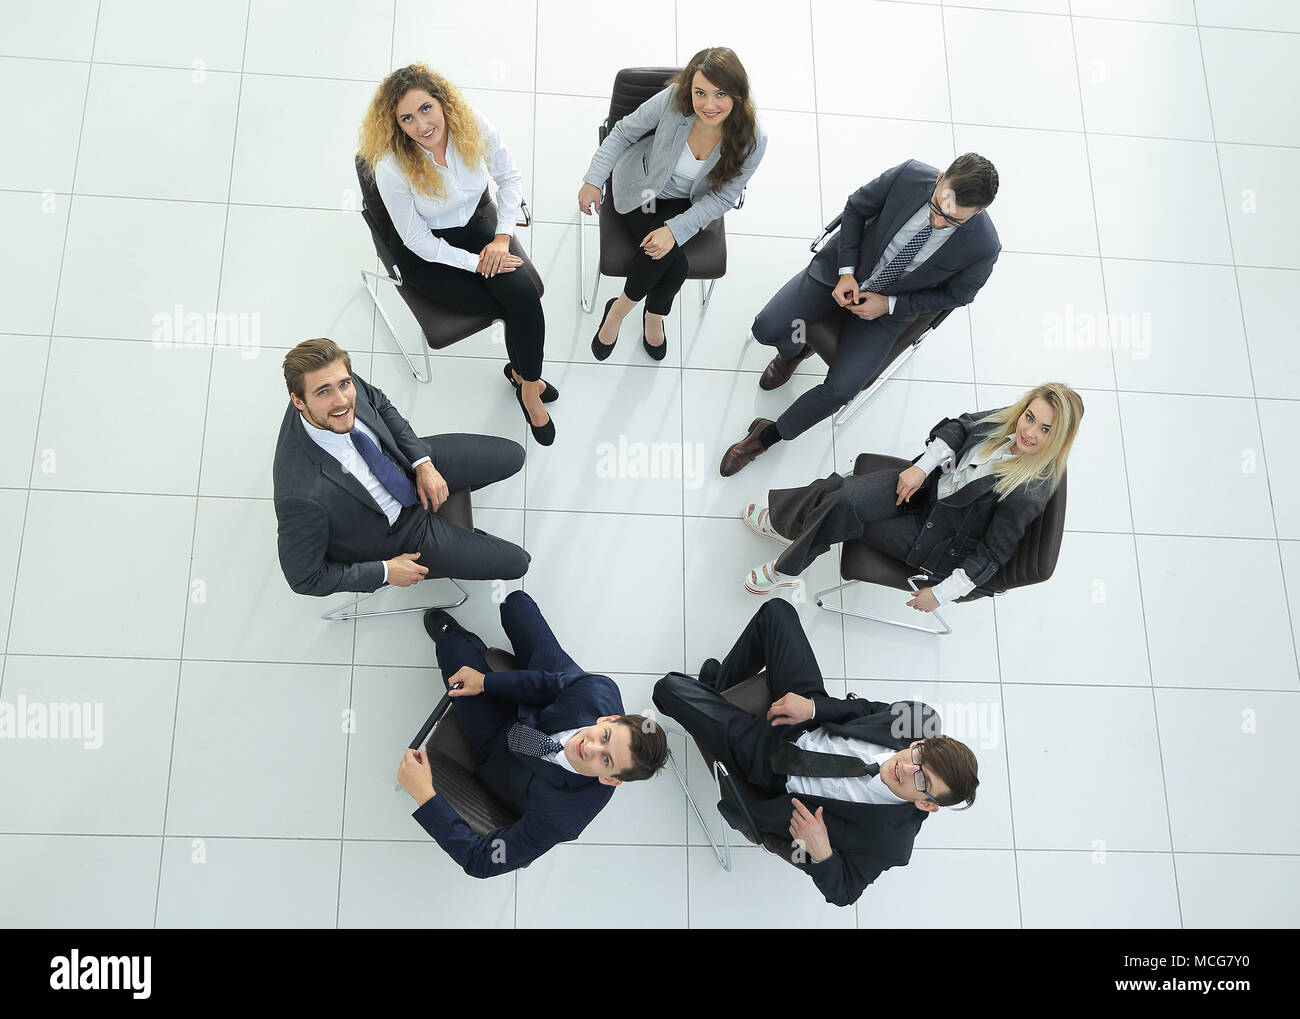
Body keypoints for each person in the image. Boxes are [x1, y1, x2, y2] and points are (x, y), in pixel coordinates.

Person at [653, 599, 978, 907]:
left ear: (926, 804)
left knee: (668, 689)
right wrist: (813, 708)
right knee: (777, 612)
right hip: (809, 723)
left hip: (768, 764)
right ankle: (719, 688)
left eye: (922, 780)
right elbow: (864, 709)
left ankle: (717, 693)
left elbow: (845, 892)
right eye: (918, 757)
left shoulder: (890, 842)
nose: (907, 769)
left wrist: (823, 854)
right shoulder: (917, 721)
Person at [720, 154, 1002, 477]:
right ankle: (793, 353)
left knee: (840, 390)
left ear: (978, 212)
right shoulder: (910, 175)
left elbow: (958, 296)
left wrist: (888, 305)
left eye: (952, 221)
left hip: (886, 313)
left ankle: (765, 437)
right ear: (939, 179)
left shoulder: (985, 246)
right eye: (937, 208)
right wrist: (846, 272)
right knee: (765, 328)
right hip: (840, 272)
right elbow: (856, 207)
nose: (937, 222)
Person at [739, 383, 1083, 609]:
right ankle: (788, 525)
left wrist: (942, 594)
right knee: (840, 494)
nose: (1029, 432)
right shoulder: (1007, 421)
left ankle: (786, 566)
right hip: (926, 493)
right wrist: (924, 465)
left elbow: (992, 554)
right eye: (1030, 417)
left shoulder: (1028, 490)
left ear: (1059, 438)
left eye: (1045, 430)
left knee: (844, 506)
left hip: (936, 542)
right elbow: (961, 425)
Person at [398, 592, 670, 877]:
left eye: (606, 760)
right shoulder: (600, 692)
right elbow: (548, 685)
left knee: (453, 649)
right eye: (604, 737)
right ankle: (489, 657)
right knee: (516, 604)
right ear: (609, 718)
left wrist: (425, 795)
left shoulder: (564, 817)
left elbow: (482, 862)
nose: (590, 749)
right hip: (552, 700)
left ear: (610, 779)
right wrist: (486, 681)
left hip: (499, 749)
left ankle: (461, 639)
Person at [359, 63, 557, 445]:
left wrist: (501, 239)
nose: (421, 125)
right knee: (507, 305)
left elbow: (510, 179)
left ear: (442, 101)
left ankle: (526, 384)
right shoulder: (392, 167)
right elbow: (416, 240)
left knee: (523, 295)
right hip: (427, 254)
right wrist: (477, 262)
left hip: (476, 227)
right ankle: (526, 380)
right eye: (407, 118)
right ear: (397, 124)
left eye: (426, 109)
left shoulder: (472, 124)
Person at [273, 338, 529, 597]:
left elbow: (380, 403)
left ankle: (452, 513)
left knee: (514, 456)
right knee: (518, 562)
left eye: (345, 384)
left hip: (406, 464)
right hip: (400, 534)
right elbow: (304, 578)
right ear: (298, 402)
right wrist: (385, 571)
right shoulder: (299, 494)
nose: (341, 401)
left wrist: (422, 463)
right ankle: (462, 539)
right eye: (324, 392)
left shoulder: (332, 374)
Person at [579, 47, 766, 362]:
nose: (709, 104)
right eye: (700, 93)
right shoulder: (672, 101)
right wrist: (594, 179)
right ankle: (652, 315)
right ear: (689, 88)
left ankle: (619, 311)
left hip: (692, 203)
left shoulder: (753, 141)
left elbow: (723, 197)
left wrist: (675, 230)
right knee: (672, 261)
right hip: (645, 188)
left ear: (738, 95)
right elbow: (622, 132)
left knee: (667, 254)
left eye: (721, 94)